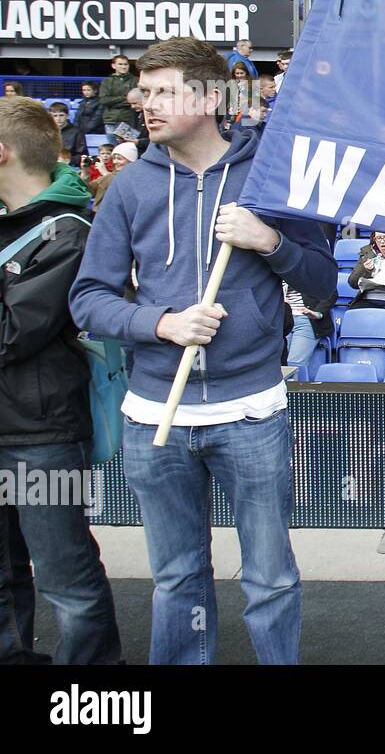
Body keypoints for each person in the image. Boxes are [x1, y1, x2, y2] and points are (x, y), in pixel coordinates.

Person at [69, 37, 336, 665]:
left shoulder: (268, 179)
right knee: (176, 579)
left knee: (269, 577)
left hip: (252, 414)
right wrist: (162, 325)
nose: (143, 102)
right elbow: (89, 300)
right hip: (153, 416)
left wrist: (270, 241)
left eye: (162, 90)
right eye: (142, 89)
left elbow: (322, 284)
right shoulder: (130, 187)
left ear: (211, 97)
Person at [0, 96, 122, 665]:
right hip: (19, 430)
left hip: (42, 438)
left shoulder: (68, 234)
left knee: (65, 577)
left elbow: (11, 333)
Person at [88, 141, 137, 211]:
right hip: (100, 214)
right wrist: (85, 173)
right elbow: (88, 190)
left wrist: (105, 173)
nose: (115, 162)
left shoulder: (136, 176)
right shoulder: (111, 175)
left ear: (131, 160)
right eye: (114, 158)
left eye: (119, 159)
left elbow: (123, 189)